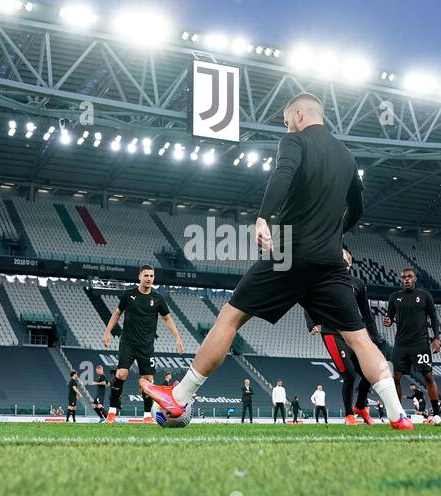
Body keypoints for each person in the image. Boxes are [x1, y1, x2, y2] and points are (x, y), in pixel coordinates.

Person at [141, 94, 412, 430]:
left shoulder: (295, 141)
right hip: (330, 262)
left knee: (229, 318)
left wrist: (262, 218)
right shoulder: (345, 155)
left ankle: (179, 398)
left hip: (290, 254)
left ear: (299, 115)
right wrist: (332, 234)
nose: (287, 127)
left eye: (286, 121)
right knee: (359, 339)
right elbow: (357, 210)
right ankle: (397, 413)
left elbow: (283, 174)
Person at [307, 247, 383, 425]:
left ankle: (360, 407)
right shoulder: (324, 280)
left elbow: (366, 313)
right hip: (331, 332)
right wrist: (312, 323)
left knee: (369, 373)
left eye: (343, 257)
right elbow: (308, 299)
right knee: (349, 374)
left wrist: (376, 337)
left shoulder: (357, 284)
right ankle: (349, 415)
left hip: (355, 333)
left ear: (350, 262)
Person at [102, 265, 184, 423]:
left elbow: (167, 318)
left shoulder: (158, 298)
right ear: (139, 276)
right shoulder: (129, 295)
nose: (149, 278)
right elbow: (117, 313)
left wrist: (178, 338)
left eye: (151, 276)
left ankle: (147, 415)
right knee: (121, 374)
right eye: (146, 275)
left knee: (147, 380)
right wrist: (107, 332)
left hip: (146, 346)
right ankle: (112, 410)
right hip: (128, 342)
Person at [385, 267, 441, 422]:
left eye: (410, 276)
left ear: (415, 279)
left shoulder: (425, 296)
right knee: (395, 377)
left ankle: (436, 413)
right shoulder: (394, 297)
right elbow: (390, 317)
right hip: (401, 344)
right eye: (404, 277)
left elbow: (434, 317)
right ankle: (397, 414)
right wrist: (388, 321)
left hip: (421, 343)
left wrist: (436, 338)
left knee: (428, 376)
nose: (407, 279)